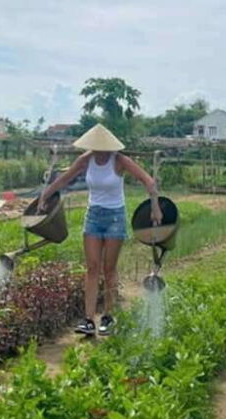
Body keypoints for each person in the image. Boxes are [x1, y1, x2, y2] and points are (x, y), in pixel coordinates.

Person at [38, 123, 162, 336]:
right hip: (93, 216)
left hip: (115, 217)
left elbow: (148, 181)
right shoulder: (86, 160)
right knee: (92, 268)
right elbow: (64, 179)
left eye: (100, 147)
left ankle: (108, 316)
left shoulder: (120, 160)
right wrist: (44, 196)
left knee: (109, 269)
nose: (98, 151)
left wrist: (155, 207)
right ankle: (88, 320)